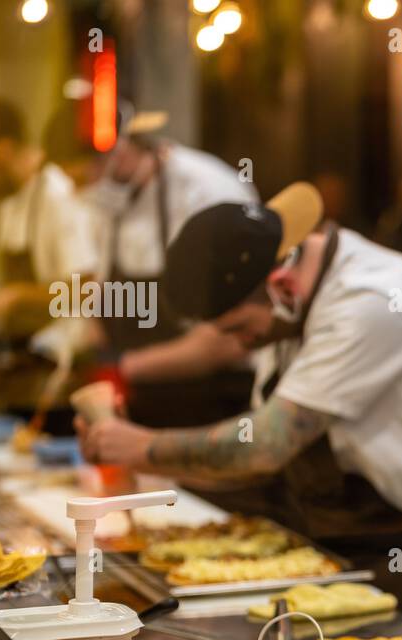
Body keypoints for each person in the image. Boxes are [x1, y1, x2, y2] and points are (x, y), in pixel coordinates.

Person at [76, 183, 402, 625]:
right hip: (355, 541)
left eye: (238, 328)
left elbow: (265, 445)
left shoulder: (374, 298)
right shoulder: (291, 301)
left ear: (280, 286)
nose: (235, 344)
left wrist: (140, 446)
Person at [45, 101, 257, 428]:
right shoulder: (106, 202)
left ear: (122, 152)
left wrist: (123, 367)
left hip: (213, 407)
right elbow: (101, 302)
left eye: (81, 176)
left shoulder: (208, 191)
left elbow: (229, 338)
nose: (78, 190)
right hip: (137, 405)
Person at [0, 97, 99, 342]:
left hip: (69, 351)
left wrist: (18, 296)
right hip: (27, 347)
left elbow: (87, 291)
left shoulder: (59, 192)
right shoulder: (9, 200)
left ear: (1, 151)